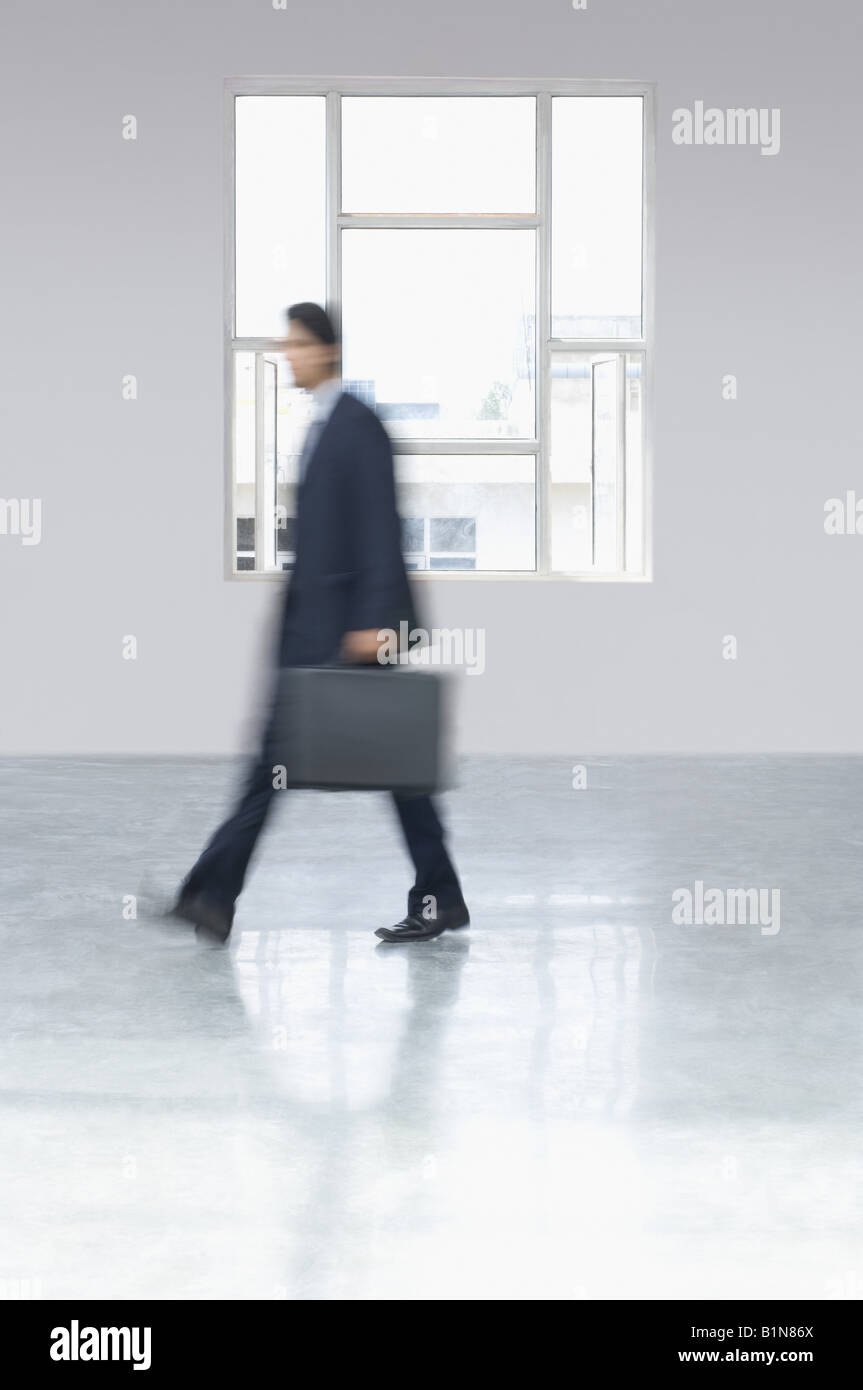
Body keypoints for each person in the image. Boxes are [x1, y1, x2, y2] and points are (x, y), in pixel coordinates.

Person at [168, 301, 469, 945]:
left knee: (365, 770)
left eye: (298, 345)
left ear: (327, 350)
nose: (288, 355)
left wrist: (374, 624)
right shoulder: (324, 424)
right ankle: (212, 898)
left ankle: (211, 898)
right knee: (371, 771)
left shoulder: (357, 424)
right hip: (314, 634)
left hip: (347, 636)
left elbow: (381, 528)